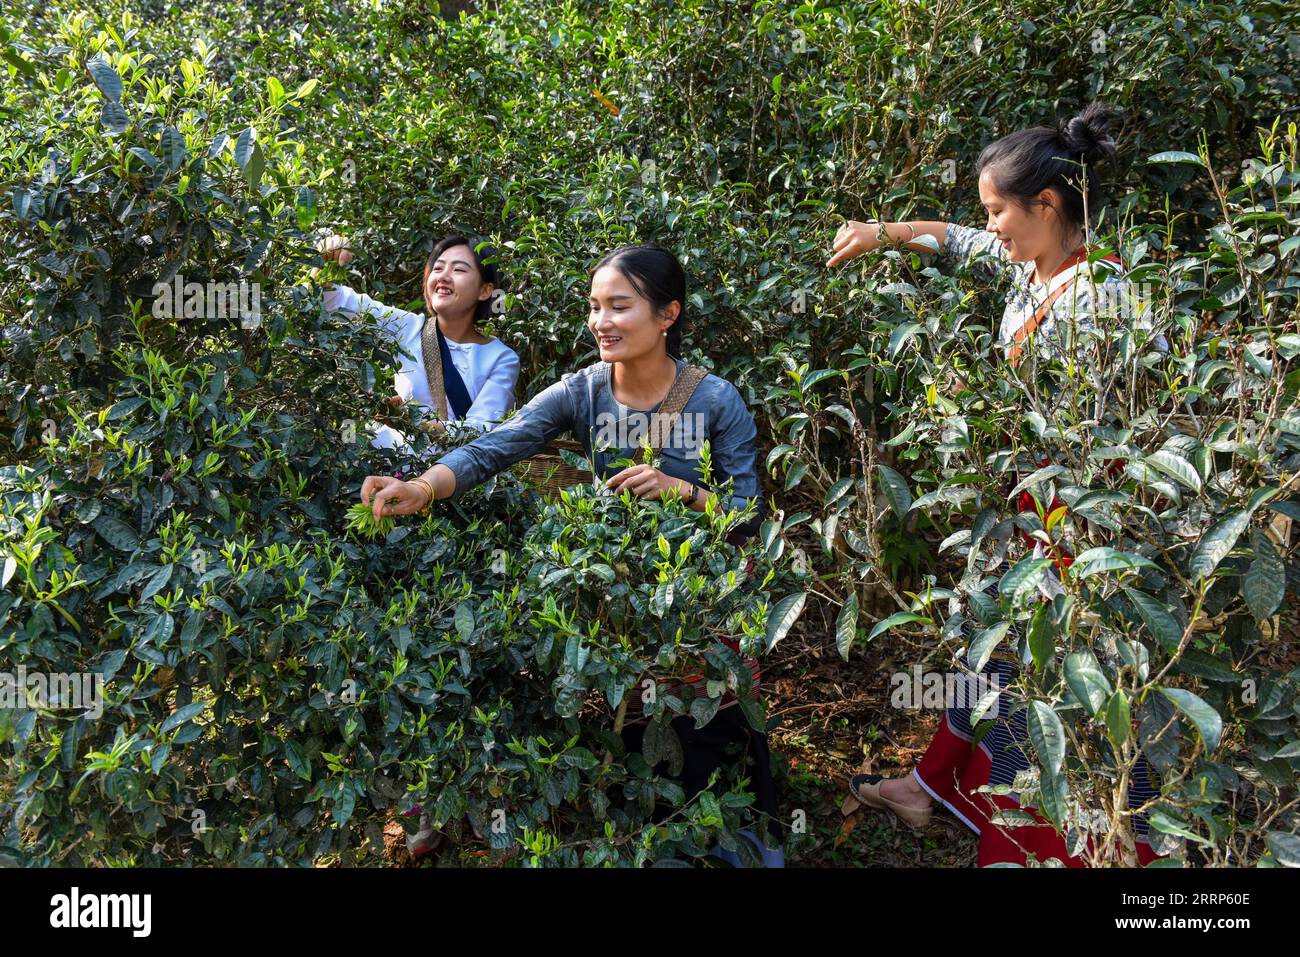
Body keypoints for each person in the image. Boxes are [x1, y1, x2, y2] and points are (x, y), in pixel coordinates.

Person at [360, 242, 782, 864]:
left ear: (667, 315)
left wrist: (684, 492)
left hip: (701, 591)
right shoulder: (582, 392)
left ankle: (734, 829)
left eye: (619, 306)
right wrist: (424, 486)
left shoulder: (715, 401)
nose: (601, 322)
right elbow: (496, 447)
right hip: (618, 587)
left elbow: (749, 516)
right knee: (632, 716)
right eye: (594, 307)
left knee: (705, 718)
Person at [828, 102, 1162, 866]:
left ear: (1047, 205)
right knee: (994, 655)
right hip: (1022, 509)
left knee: (1044, 677)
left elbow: (1101, 432)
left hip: (1072, 521)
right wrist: (885, 232)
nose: (993, 228)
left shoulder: (1099, 298)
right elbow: (960, 241)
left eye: (999, 210)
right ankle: (938, 784)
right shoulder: (1034, 266)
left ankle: (1046, 838)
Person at [318, 233, 520, 453]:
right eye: (438, 268)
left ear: (485, 290)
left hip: (454, 479)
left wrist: (412, 423)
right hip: (391, 465)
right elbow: (335, 303)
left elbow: (481, 431)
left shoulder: (501, 358)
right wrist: (326, 260)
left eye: (459, 269)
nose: (443, 276)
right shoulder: (408, 328)